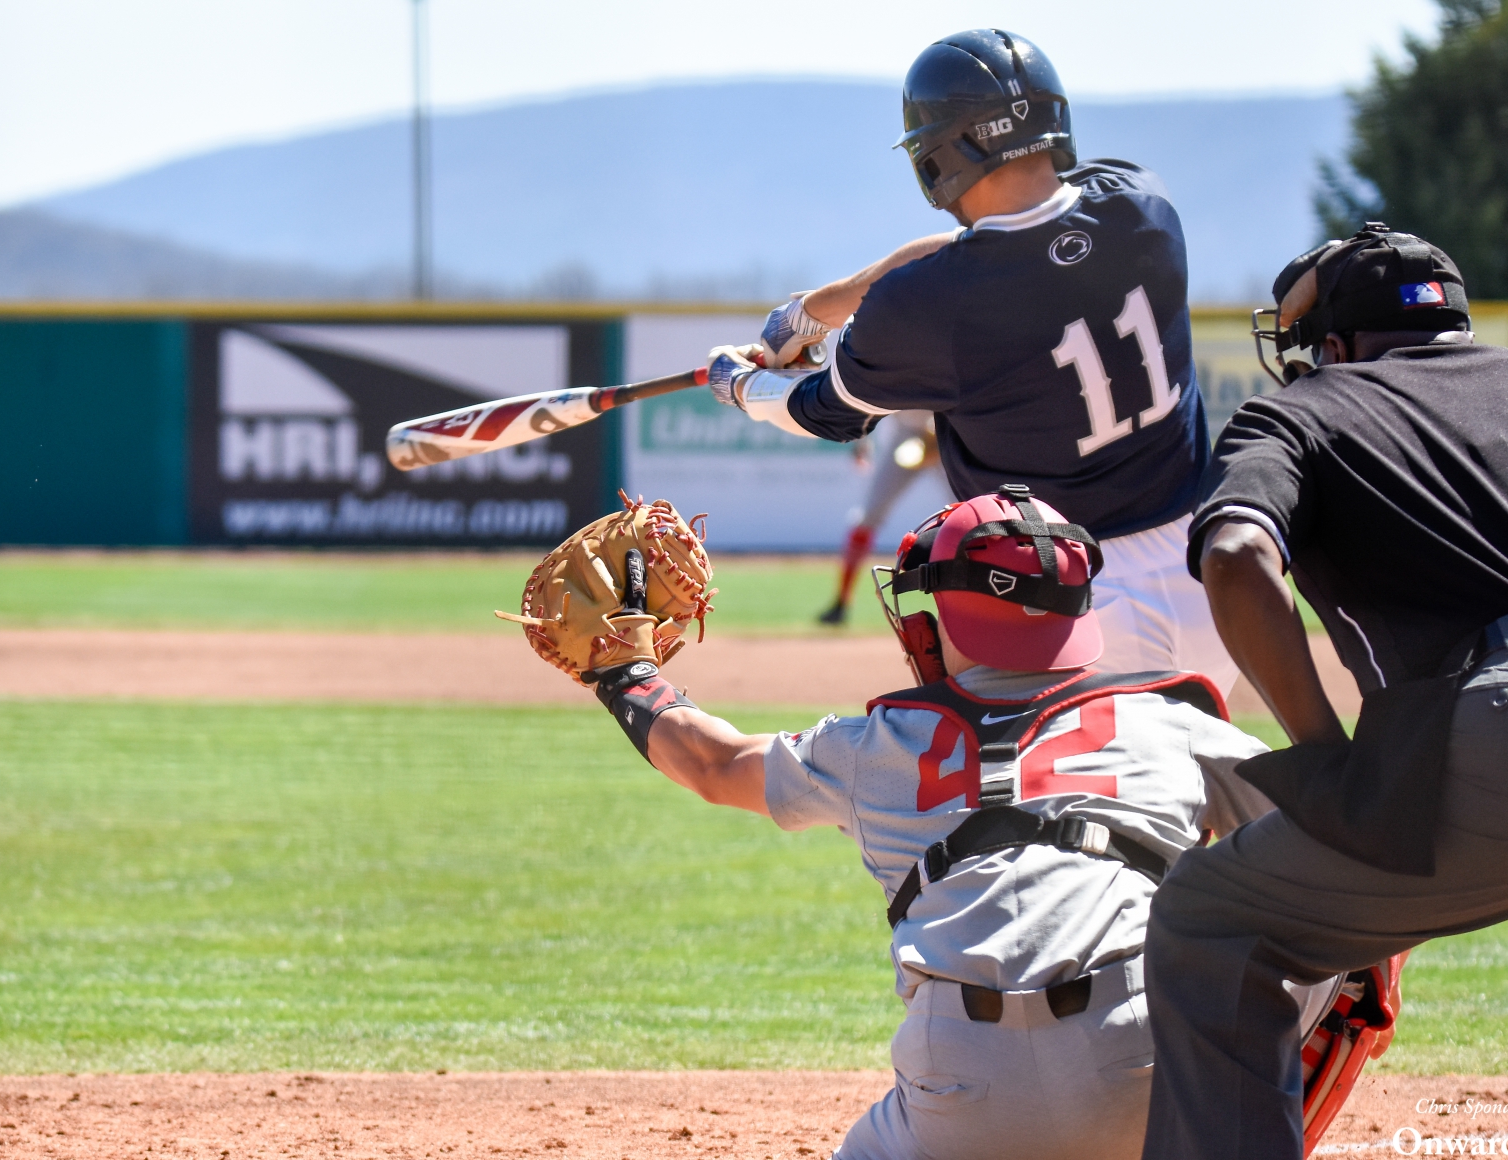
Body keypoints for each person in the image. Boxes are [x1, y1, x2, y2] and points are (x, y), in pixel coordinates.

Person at [573, 483, 1346, 1160]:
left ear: (950, 620)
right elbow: (1340, 843)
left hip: (958, 1082)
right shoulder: (1169, 725)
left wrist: (625, 676)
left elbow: (712, 763)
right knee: (1346, 943)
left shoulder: (874, 746)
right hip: (1142, 1066)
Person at [1138, 225, 1508, 1160]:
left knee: (1212, 922)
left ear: (1335, 346)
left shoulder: (1306, 409)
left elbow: (1234, 559)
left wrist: (1323, 759)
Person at [705, 29, 1237, 692]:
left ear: (938, 156)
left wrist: (740, 385)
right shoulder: (1144, 204)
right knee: (1198, 784)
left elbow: (819, 411)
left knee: (1052, 797)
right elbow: (984, 243)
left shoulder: (932, 305)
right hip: (1210, 577)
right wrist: (821, 307)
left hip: (1074, 599)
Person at [819, 410, 946, 625]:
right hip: (908, 434)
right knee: (866, 517)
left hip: (948, 431)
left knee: (977, 513)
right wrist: (861, 437)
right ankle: (841, 603)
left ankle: (987, 600)